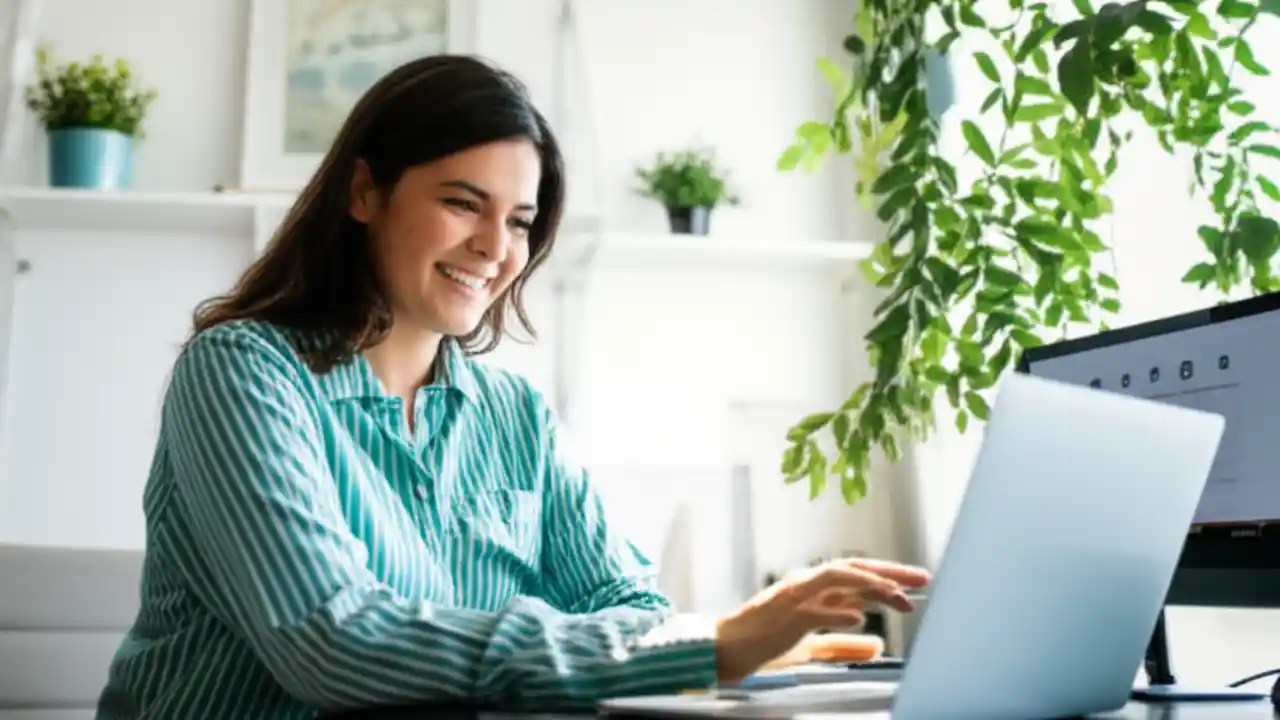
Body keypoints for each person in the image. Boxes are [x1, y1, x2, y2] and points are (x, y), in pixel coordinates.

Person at [95, 54, 930, 719]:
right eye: (464, 203)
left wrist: (730, 637)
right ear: (364, 193)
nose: (497, 247)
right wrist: (709, 644)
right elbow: (330, 643)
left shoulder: (515, 416)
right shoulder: (243, 372)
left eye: (522, 221)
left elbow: (623, 598)